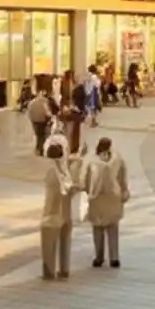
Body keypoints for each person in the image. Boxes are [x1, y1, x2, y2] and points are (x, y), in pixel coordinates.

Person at [83, 137, 129, 268]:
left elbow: (86, 179)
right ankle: (107, 257)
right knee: (105, 228)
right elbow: (122, 177)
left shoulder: (96, 161)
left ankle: (106, 257)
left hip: (103, 197)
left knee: (104, 228)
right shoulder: (114, 160)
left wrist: (88, 190)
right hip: (105, 197)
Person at [41, 142, 79, 280]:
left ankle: (49, 272)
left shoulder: (49, 170)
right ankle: (64, 270)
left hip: (52, 214)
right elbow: (71, 189)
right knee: (65, 243)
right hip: (66, 212)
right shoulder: (66, 170)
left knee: (48, 246)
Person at [28, 85, 54, 156]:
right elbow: (47, 112)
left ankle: (38, 147)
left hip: (35, 120)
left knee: (38, 135)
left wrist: (32, 120)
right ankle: (41, 149)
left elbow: (29, 112)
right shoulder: (45, 101)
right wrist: (50, 119)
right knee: (42, 135)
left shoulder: (32, 102)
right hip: (42, 120)